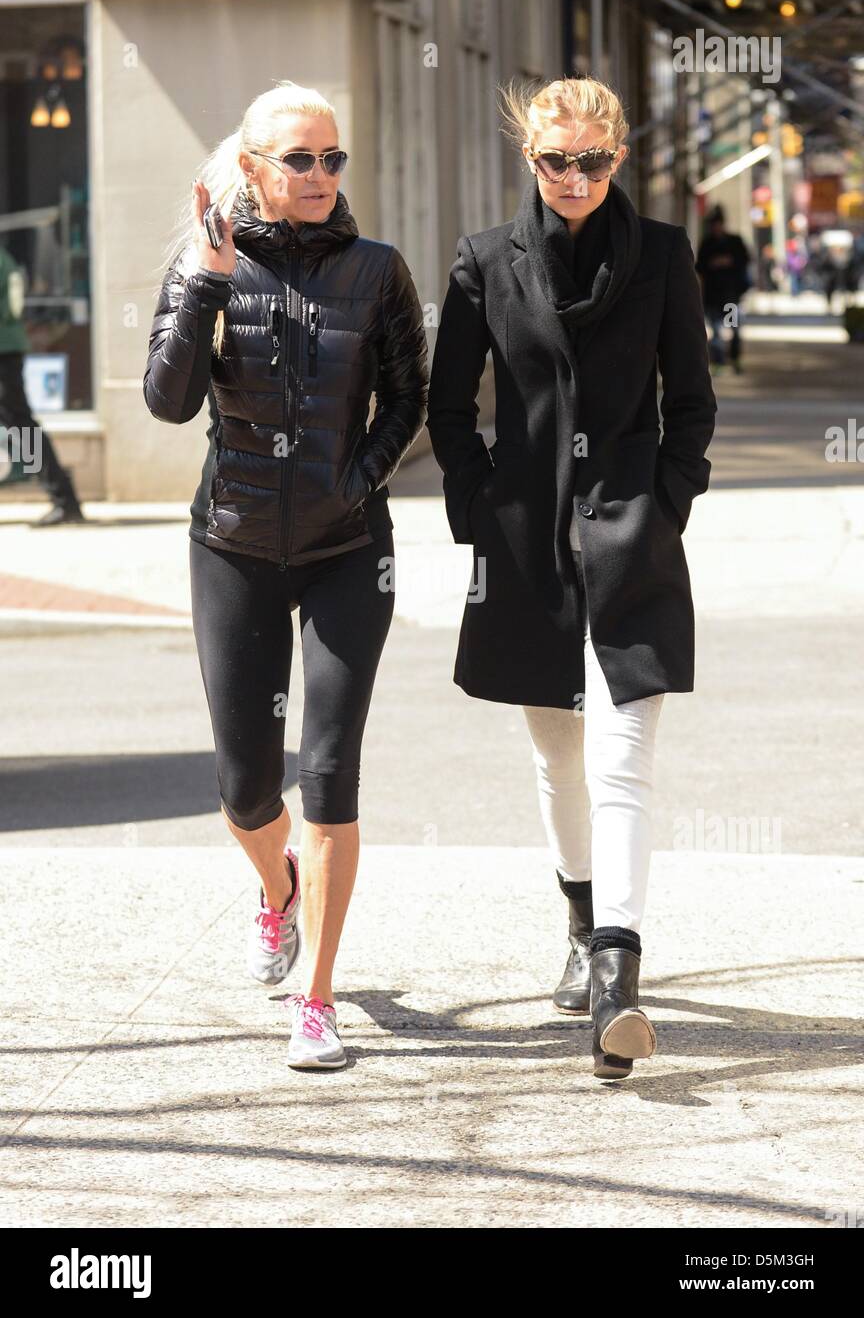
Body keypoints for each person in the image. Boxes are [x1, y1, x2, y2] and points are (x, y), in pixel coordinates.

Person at [426, 75, 717, 1080]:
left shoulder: (666, 256)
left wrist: (668, 497)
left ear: (620, 157)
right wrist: (482, 508)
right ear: (531, 158)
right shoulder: (484, 263)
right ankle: (581, 914)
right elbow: (451, 410)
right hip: (529, 545)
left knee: (621, 762)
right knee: (559, 760)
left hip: (633, 533)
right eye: (559, 161)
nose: (577, 178)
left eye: (596, 160)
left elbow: (693, 399)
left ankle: (618, 973)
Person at [143, 80, 428, 1070]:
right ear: (255, 166)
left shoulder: (378, 270)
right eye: (298, 159)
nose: (318, 175)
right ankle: (278, 891)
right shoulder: (206, 266)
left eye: (331, 158)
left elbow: (410, 395)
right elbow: (168, 403)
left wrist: (361, 476)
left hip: (350, 548)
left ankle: (318, 1003)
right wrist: (208, 281)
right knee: (243, 787)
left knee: (330, 773)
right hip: (232, 545)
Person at [0, 242, 85, 524]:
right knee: (21, 425)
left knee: (21, 425)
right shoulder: (6, 259)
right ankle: (64, 498)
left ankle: (64, 499)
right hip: (8, 351)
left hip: (3, 354)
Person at [695, 206, 751, 373]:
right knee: (717, 332)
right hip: (713, 297)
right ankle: (718, 361)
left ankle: (735, 359)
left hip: (731, 296)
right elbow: (700, 266)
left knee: (734, 329)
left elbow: (745, 261)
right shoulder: (707, 244)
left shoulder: (734, 242)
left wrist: (728, 262)